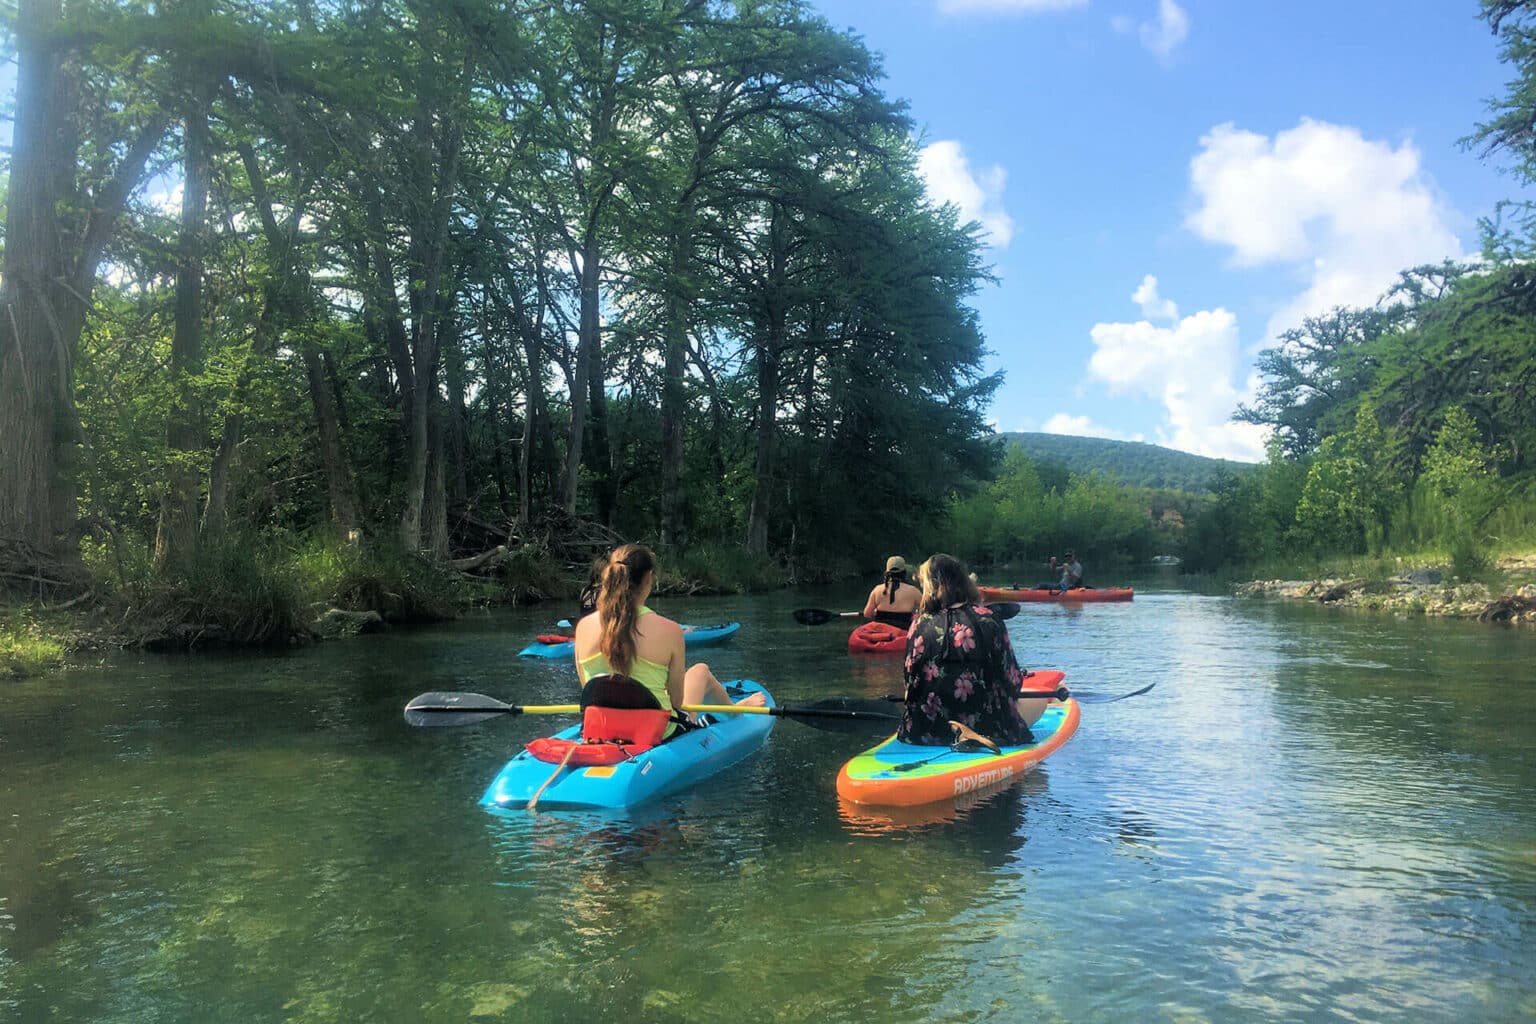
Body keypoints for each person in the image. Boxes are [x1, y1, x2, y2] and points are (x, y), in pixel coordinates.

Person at [572, 544, 764, 723]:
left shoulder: (583, 628)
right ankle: (736, 710)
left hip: (601, 728)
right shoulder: (670, 630)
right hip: (655, 731)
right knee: (700, 671)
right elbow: (677, 702)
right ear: (648, 579)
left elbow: (589, 691)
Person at [899, 553, 1057, 747]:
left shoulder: (917, 623)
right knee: (1040, 701)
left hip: (921, 730)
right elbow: (1013, 683)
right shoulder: (988, 619)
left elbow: (909, 685)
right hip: (985, 728)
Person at [862, 555, 921, 623]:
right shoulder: (913, 591)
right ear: (904, 572)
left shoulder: (877, 590)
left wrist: (877, 613)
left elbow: (867, 614)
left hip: (879, 630)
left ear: (886, 573)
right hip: (903, 630)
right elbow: (927, 610)